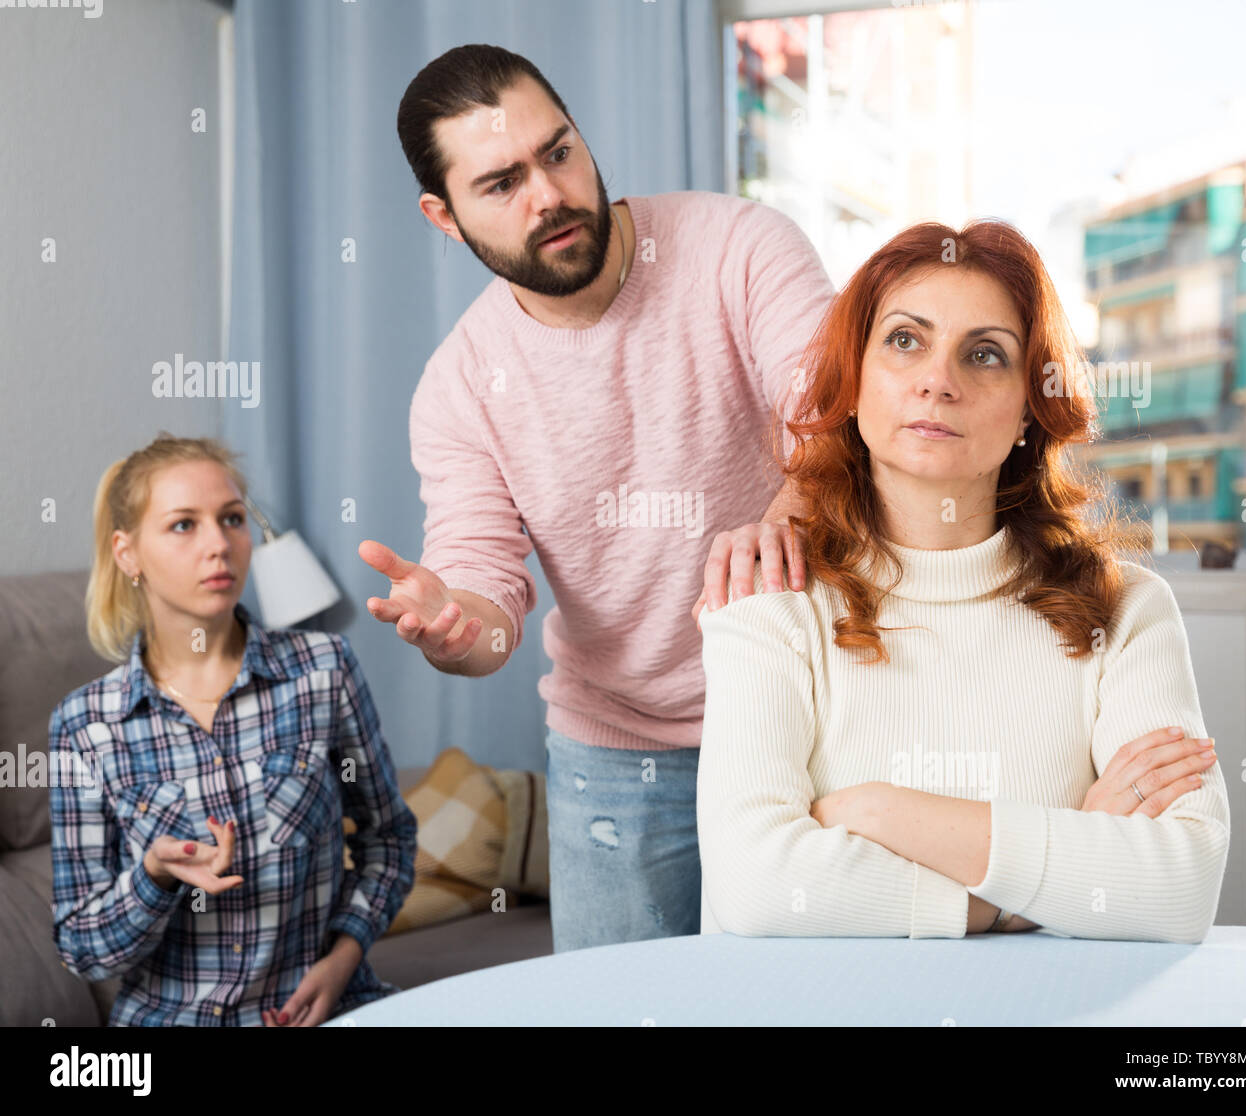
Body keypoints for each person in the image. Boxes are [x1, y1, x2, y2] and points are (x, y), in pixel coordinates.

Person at [361, 44, 832, 952]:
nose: (548, 196)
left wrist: (792, 510)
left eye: (559, 152)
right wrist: (458, 626)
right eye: (501, 183)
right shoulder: (457, 388)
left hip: (807, 712)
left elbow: (843, 422)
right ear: (443, 217)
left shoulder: (740, 246)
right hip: (618, 748)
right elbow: (486, 599)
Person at [697, 220, 1231, 943]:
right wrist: (1026, 893)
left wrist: (883, 812)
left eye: (985, 355)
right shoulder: (769, 600)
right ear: (852, 383)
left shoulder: (1126, 607)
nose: (938, 381)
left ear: (1026, 414)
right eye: (905, 340)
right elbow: (758, 887)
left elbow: (1179, 885)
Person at [49, 433, 416, 1026]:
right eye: (183, 525)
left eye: (232, 518)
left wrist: (345, 955)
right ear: (128, 553)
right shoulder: (86, 726)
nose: (219, 544)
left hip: (333, 1009)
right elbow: (82, 949)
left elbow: (388, 841)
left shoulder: (324, 669)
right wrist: (154, 877)